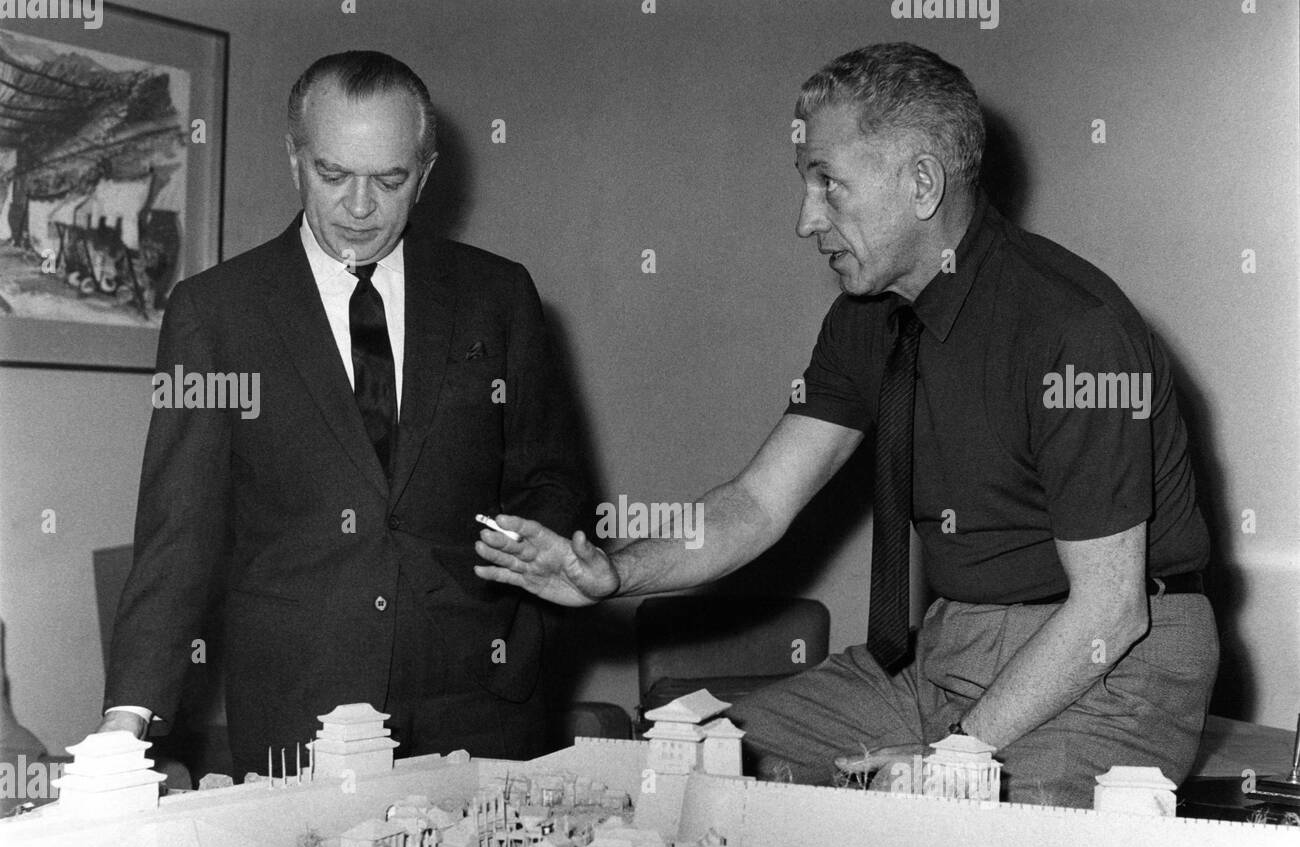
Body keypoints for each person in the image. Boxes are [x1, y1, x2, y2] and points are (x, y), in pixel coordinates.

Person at [475, 42, 1217, 808]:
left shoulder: (1073, 330)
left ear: (921, 183)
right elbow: (759, 503)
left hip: (1110, 659)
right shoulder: (865, 321)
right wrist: (615, 571)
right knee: (692, 784)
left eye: (829, 185)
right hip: (948, 646)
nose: (806, 220)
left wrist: (951, 757)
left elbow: (1110, 607)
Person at [100, 51, 587, 777]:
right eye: (333, 175)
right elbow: (178, 533)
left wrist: (532, 561)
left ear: (424, 172)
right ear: (293, 159)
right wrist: (126, 720)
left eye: (390, 180)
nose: (360, 208)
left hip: (484, 703)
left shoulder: (499, 296)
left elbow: (552, 479)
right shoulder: (215, 315)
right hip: (303, 711)